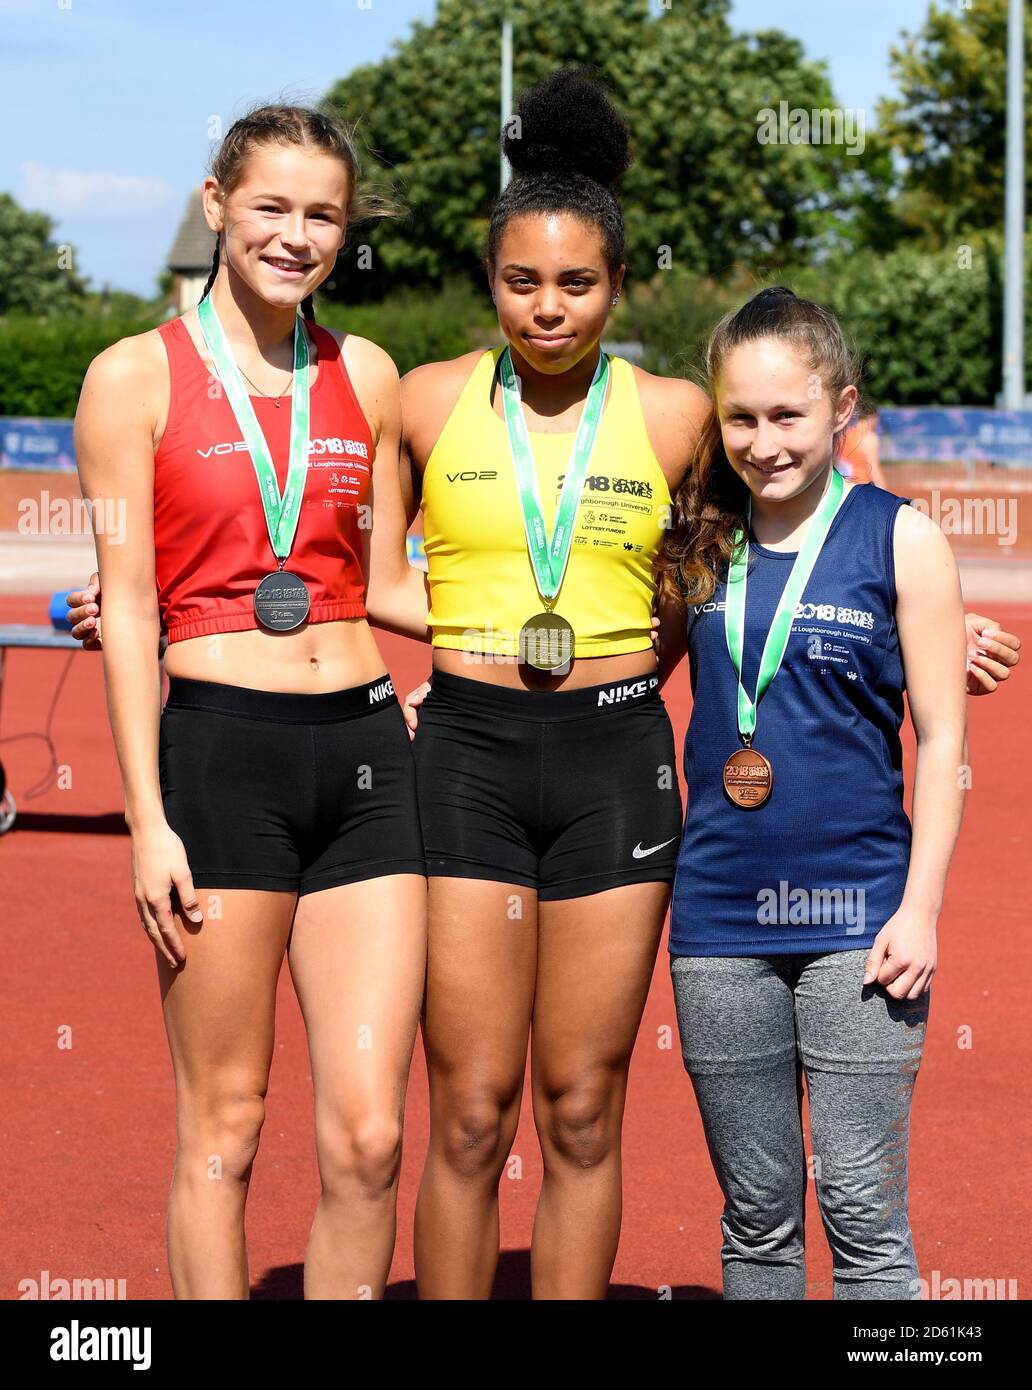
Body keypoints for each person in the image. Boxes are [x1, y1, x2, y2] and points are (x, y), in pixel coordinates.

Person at [68, 73, 1021, 1301]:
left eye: (577, 283)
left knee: (582, 1107)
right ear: (491, 285)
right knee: (466, 1109)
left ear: (617, 286)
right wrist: (154, 602)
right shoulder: (414, 395)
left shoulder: (680, 416)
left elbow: (775, 541)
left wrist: (927, 620)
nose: (550, 306)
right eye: (522, 283)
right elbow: (351, 572)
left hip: (617, 763)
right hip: (458, 752)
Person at [72, 103, 429, 1300]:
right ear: (217, 204)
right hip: (220, 761)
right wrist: (146, 819)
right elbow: (128, 607)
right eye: (271, 206)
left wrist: (560, 627)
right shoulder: (131, 378)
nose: (296, 234)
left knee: (371, 1136)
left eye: (322, 213)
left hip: (372, 756)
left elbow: (390, 584)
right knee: (225, 1121)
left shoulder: (366, 373)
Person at [655, 285, 967, 1299]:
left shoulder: (901, 537)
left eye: (788, 414)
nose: (764, 440)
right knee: (756, 1220)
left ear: (843, 407)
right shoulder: (699, 544)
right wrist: (465, 678)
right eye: (740, 416)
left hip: (861, 918)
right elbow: (618, 672)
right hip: (717, 922)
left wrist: (921, 910)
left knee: (865, 1215)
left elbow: (944, 732)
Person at [835, 399, 885, 488]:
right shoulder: (869, 437)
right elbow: (874, 470)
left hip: (844, 487)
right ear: (872, 417)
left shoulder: (844, 436)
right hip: (862, 488)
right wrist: (885, 495)